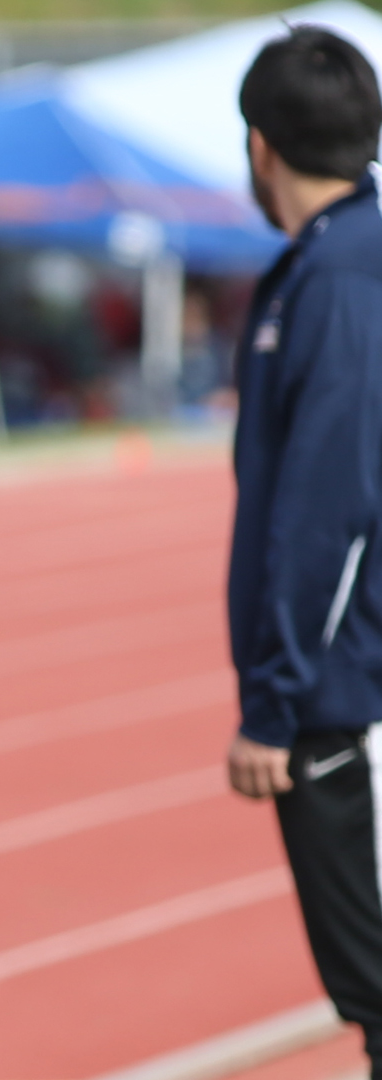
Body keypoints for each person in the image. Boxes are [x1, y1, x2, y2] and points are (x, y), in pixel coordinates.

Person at [221, 26, 382, 1080]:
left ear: (260, 146)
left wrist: (275, 701)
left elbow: (333, 504)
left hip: (347, 698)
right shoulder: (323, 264)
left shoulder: (341, 276)